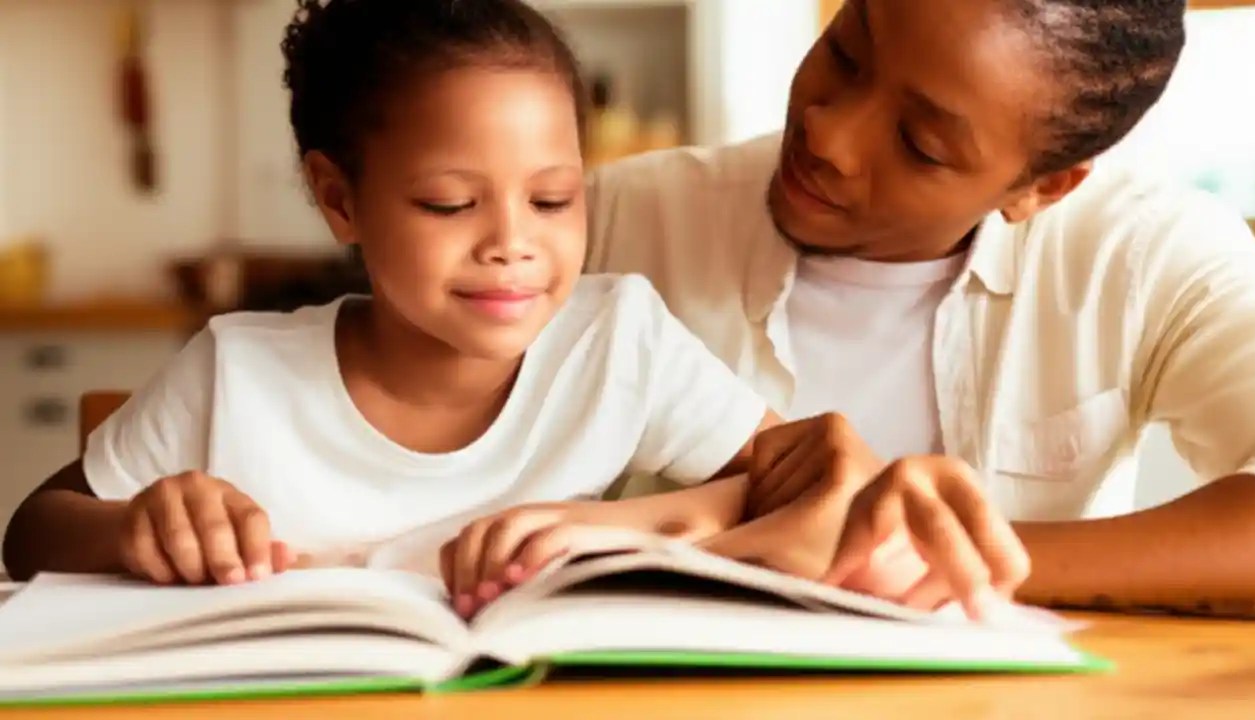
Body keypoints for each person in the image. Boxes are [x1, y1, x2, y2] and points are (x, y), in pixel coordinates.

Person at [0, 0, 1027, 622]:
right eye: (449, 203)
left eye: (552, 197)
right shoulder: (237, 371)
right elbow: (30, 532)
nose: (513, 242)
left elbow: (803, 487)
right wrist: (135, 528)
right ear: (338, 198)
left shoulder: (617, 335)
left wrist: (610, 526)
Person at [586, 0, 1255, 617]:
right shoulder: (611, 221)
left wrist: (921, 554)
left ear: (1042, 187)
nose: (829, 135)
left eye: (920, 144)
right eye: (846, 53)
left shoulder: (1142, 252)